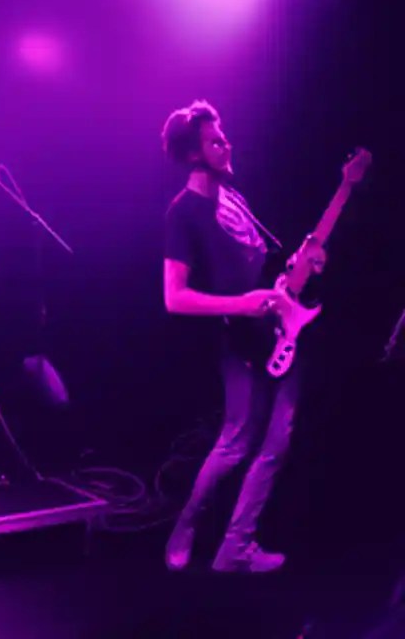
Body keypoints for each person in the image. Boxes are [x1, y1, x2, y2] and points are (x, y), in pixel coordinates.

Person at [160, 100, 322, 573]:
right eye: (214, 140)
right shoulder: (183, 214)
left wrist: (302, 264)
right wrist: (242, 303)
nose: (225, 144)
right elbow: (175, 297)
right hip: (239, 340)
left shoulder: (235, 197)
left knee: (279, 439)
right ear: (193, 154)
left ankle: (237, 547)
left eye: (223, 136)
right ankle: (186, 525)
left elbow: (265, 265)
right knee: (235, 442)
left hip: (278, 330)